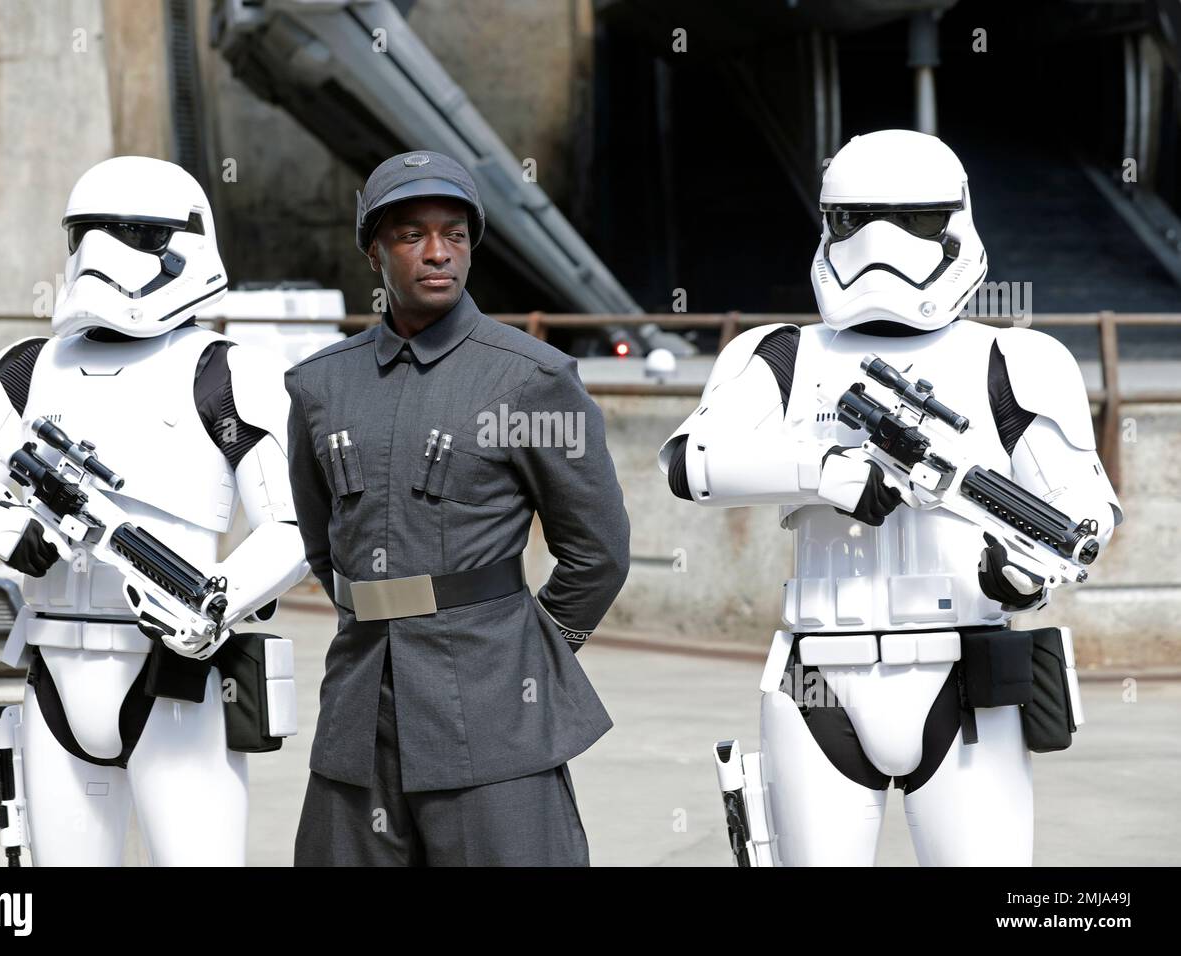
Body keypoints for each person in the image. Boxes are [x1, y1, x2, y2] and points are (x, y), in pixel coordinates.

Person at [659, 130, 1122, 865]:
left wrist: (1021, 575)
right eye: (854, 220)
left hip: (964, 672)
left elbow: (1081, 506)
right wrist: (827, 472)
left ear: (954, 221)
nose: (879, 244)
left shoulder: (1013, 360)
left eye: (910, 222)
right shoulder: (780, 355)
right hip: (815, 674)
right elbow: (692, 462)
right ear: (827, 222)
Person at [0, 156, 309, 865]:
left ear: (182, 242)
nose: (101, 253)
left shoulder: (227, 372)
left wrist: (219, 600)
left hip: (173, 681)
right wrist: (2, 523)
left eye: (129, 232)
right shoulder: (28, 366)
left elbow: (292, 527)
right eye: (86, 232)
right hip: (52, 677)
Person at [285, 150, 630, 866]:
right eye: (411, 234)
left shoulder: (529, 380)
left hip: (494, 713)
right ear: (374, 249)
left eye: (456, 234)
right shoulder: (321, 386)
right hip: (358, 713)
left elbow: (597, 550)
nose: (437, 252)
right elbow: (323, 545)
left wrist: (526, 653)